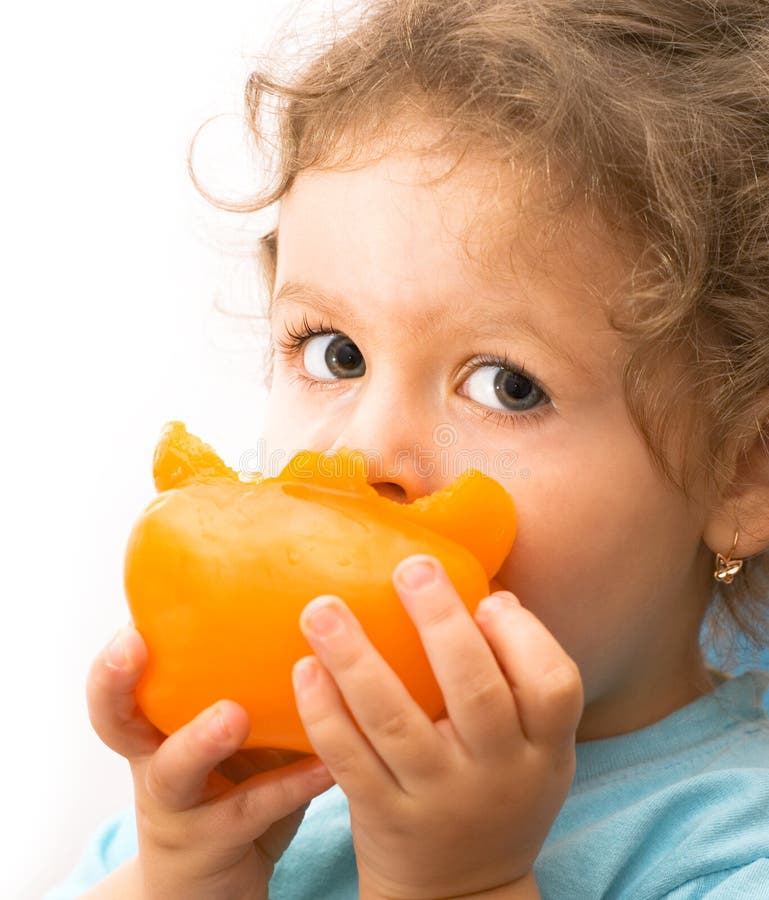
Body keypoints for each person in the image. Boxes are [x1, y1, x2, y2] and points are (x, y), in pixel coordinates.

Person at [47, 1, 769, 898]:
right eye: (334, 354)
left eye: (506, 384)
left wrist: (466, 885)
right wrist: (182, 871)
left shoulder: (730, 851)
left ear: (743, 470)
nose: (364, 449)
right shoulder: (253, 787)